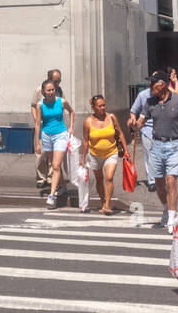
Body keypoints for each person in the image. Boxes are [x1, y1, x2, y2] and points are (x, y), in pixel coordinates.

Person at [140, 73, 178, 229]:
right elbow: (141, 121)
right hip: (157, 146)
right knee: (159, 184)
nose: (150, 87)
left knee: (171, 180)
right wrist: (134, 124)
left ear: (163, 84)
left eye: (153, 84)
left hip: (175, 144)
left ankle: (172, 219)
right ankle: (167, 208)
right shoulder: (149, 102)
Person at [81, 95, 127, 214]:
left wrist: (126, 151)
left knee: (109, 177)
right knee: (99, 179)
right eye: (100, 106)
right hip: (95, 155)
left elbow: (121, 134)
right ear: (94, 107)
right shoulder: (88, 122)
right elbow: (85, 140)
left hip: (111, 152)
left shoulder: (111, 117)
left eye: (104, 105)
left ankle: (107, 204)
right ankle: (102, 201)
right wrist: (82, 158)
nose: (103, 107)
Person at [32, 78, 74, 209]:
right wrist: (37, 143)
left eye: (53, 90)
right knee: (55, 165)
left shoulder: (61, 101)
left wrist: (71, 127)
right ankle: (62, 186)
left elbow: (72, 112)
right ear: (43, 92)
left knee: (55, 166)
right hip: (46, 136)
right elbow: (38, 123)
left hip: (60, 135)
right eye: (48, 90)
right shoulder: (40, 105)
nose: (51, 92)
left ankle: (51, 196)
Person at [31, 68, 65, 191]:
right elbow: (33, 106)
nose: (57, 84)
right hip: (42, 125)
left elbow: (62, 106)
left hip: (55, 127)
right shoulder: (39, 90)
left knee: (53, 155)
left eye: (59, 81)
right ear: (49, 79)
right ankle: (41, 177)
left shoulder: (59, 91)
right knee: (41, 154)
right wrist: (37, 120)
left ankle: (51, 177)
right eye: (56, 81)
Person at [131, 71, 165, 192]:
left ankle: (161, 178)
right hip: (147, 129)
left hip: (162, 129)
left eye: (154, 81)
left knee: (162, 156)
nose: (151, 83)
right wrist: (133, 119)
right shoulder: (143, 95)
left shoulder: (166, 96)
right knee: (149, 156)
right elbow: (134, 110)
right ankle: (151, 181)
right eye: (151, 81)